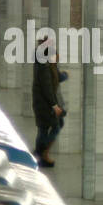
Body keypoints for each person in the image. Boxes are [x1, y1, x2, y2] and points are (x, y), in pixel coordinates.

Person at [31, 32, 68, 167]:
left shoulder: (47, 61)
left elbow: (56, 76)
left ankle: (40, 153)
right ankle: (41, 153)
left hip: (45, 101)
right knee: (54, 127)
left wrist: (63, 75)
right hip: (44, 103)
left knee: (46, 127)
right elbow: (47, 87)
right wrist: (54, 105)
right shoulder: (43, 65)